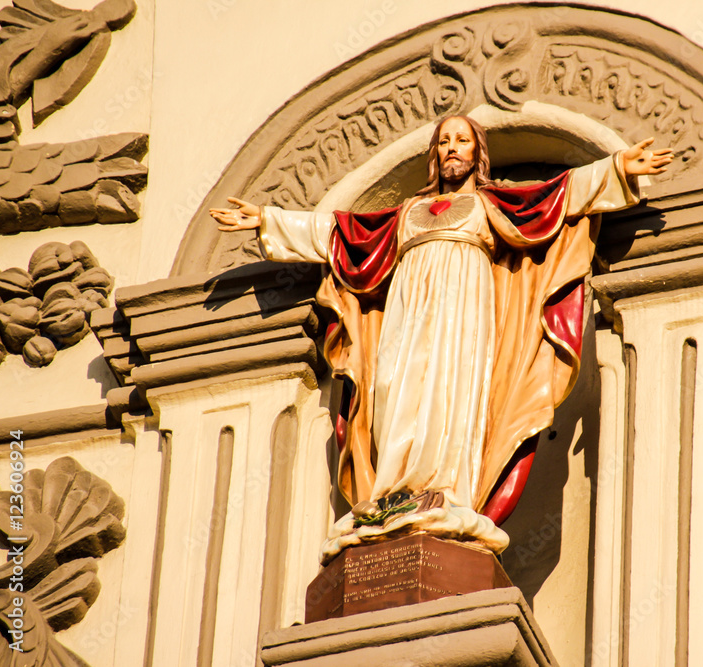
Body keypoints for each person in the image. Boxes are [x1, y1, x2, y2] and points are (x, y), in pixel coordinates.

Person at [211, 116, 672, 560]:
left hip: (464, 315)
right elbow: (339, 233)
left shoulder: (491, 206)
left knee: (452, 393)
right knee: (393, 388)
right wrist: (267, 219)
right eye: (445, 141)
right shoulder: (407, 213)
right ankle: (393, 489)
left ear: (478, 154)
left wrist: (616, 168)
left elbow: (556, 196)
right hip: (407, 317)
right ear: (435, 155)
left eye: (462, 141)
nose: (453, 148)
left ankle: (445, 488)